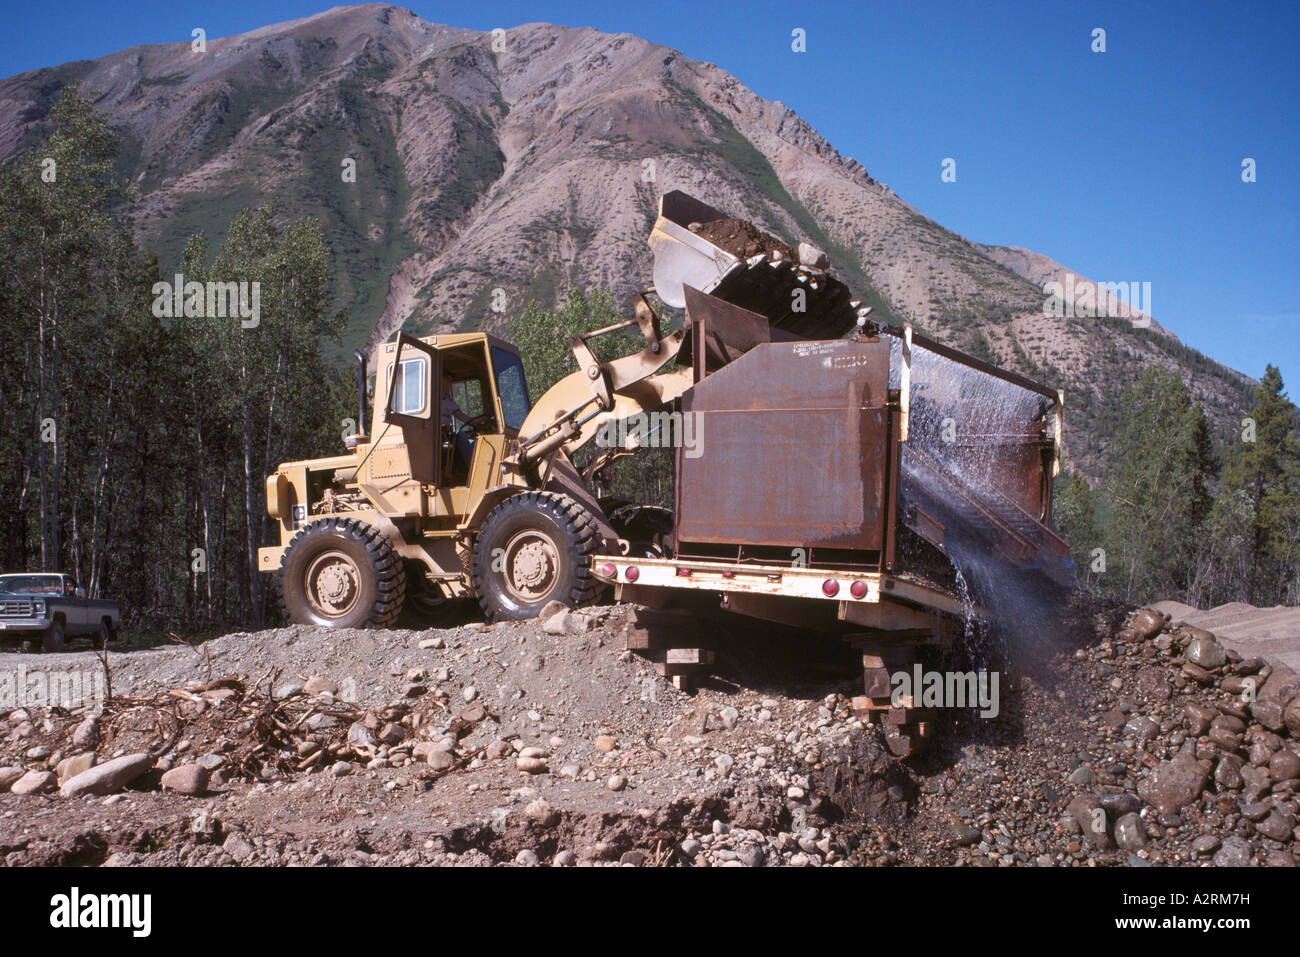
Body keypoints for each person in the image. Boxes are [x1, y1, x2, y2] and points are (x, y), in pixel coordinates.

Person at [441, 372, 475, 470]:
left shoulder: (449, 401)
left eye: (450, 379)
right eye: (447, 378)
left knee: (472, 442)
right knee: (461, 435)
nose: (449, 382)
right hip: (436, 433)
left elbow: (462, 417)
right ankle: (472, 468)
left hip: (446, 433)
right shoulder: (431, 398)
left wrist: (479, 421)